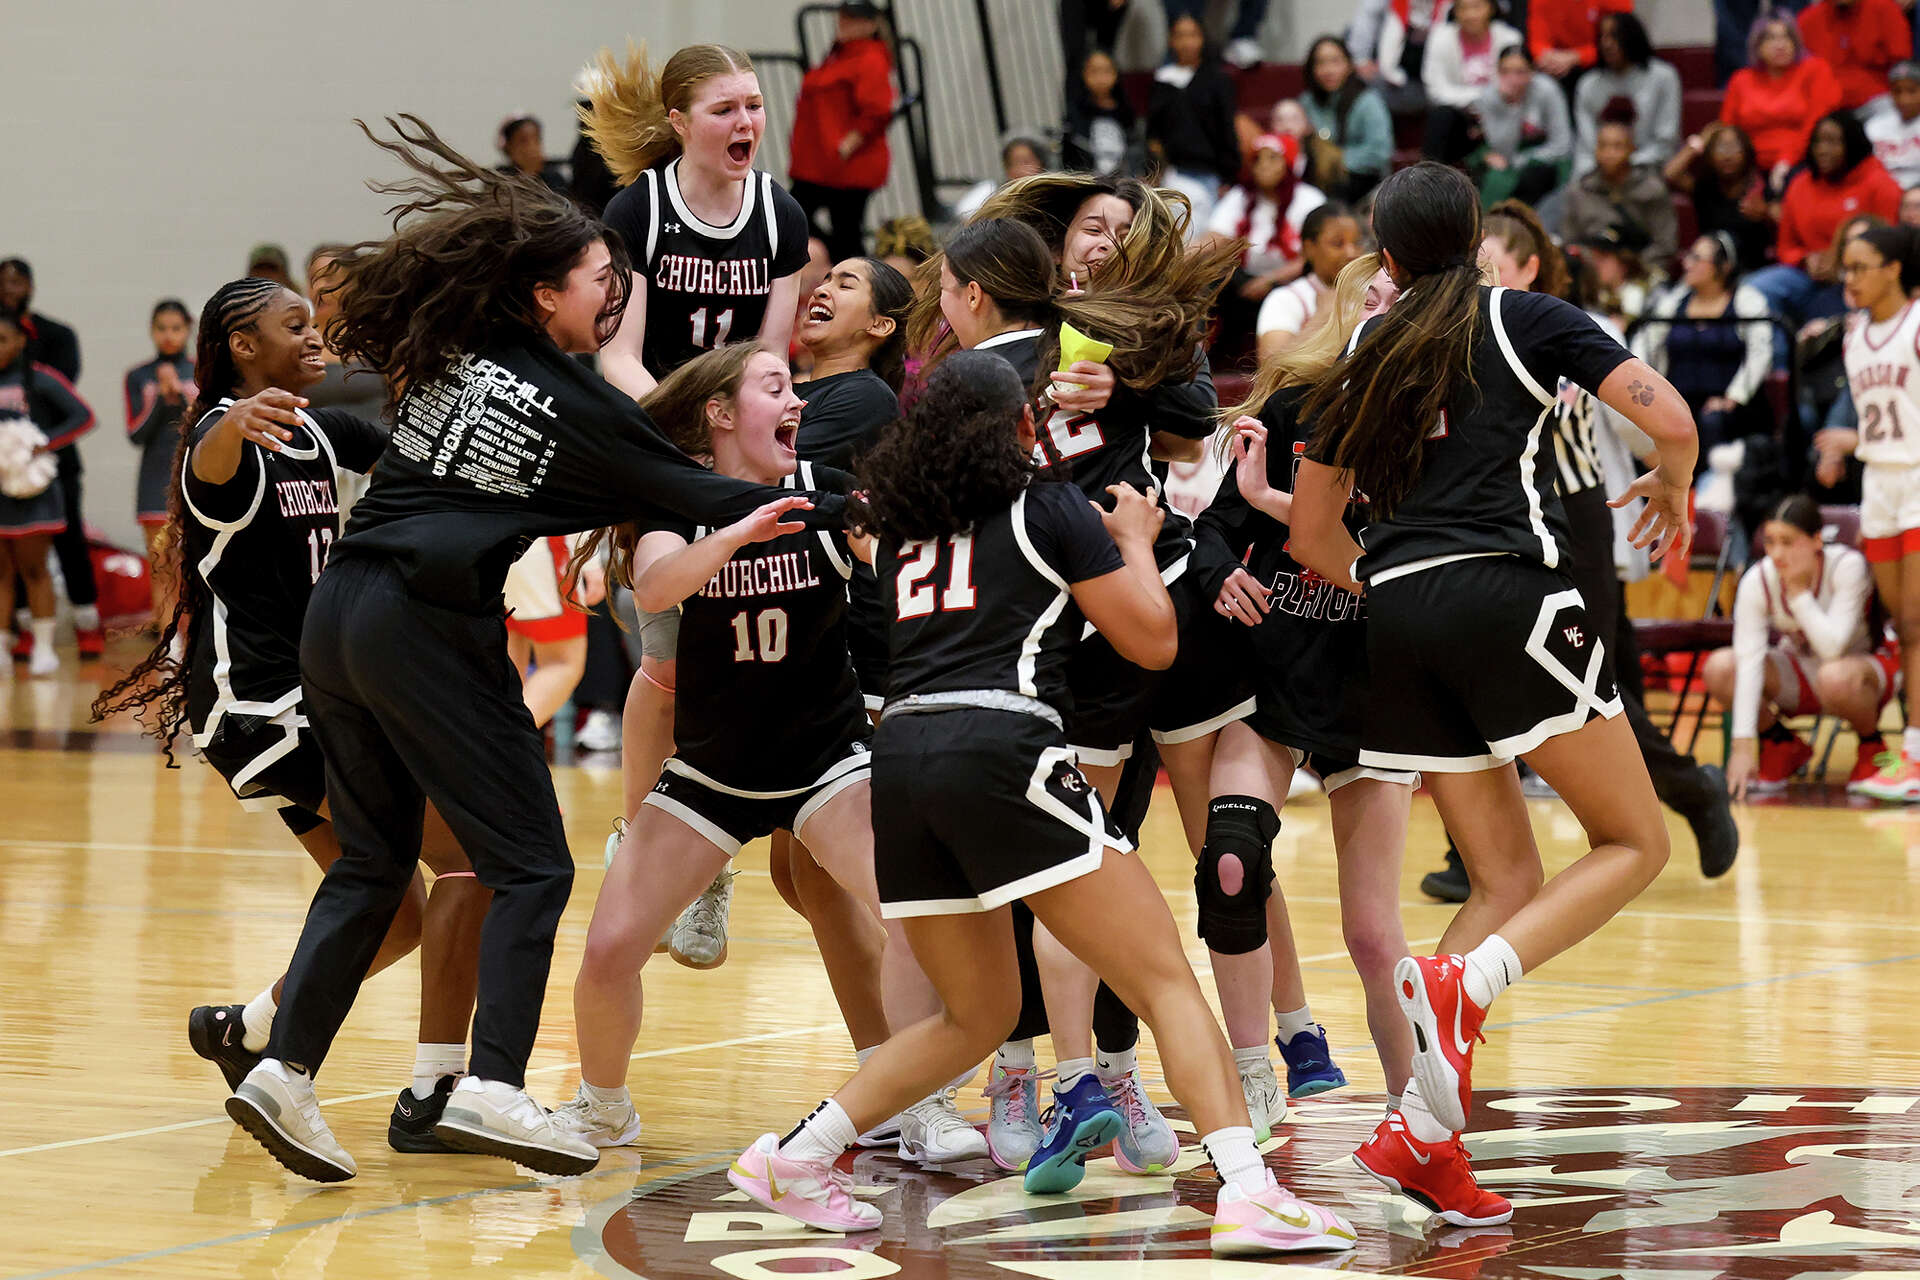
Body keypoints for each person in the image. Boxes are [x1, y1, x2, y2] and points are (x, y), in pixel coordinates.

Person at [217, 115, 840, 1184]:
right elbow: (693, 487)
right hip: (423, 624)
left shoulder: (461, 355)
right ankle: (493, 1084)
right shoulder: (581, 403)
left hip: (342, 615)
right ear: (546, 293)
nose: (619, 294)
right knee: (533, 861)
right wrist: (836, 502)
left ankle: (283, 1068)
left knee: (372, 862)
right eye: (606, 277)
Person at [727, 349, 1359, 1258]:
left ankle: (797, 1156)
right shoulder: (1049, 505)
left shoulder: (903, 527)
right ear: (1024, 426)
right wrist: (1140, 539)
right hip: (1003, 747)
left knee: (974, 1016)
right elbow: (1151, 643)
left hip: (900, 762)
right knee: (1164, 980)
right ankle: (1252, 1195)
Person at [1288, 162, 1698, 1162]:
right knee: (1635, 843)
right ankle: (1464, 984)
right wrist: (1675, 480)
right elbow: (1672, 418)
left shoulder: (1365, 348)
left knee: (1503, 876)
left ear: (1384, 256)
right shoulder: (1525, 316)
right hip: (1508, 596)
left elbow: (1309, 532)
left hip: (1395, 618)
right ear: (1477, 237)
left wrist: (1397, 585)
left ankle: (1423, 1124)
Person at [89, 276, 491, 1167]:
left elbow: (412, 451)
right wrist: (230, 421)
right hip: (260, 703)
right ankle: (434, 1090)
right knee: (465, 856)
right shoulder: (221, 441)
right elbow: (210, 458)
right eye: (293, 326)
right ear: (241, 346)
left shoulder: (319, 429)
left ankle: (248, 1030)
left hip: (315, 698)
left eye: (316, 326)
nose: (313, 339)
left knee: (401, 915)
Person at [554, 343, 978, 1165]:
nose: (797, 403)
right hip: (714, 771)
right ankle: (604, 1109)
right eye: (775, 387)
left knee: (910, 914)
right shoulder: (674, 500)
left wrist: (882, 542)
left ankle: (914, 1098)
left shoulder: (822, 492)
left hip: (826, 759)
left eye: (796, 389)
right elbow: (656, 588)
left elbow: (891, 555)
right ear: (719, 413)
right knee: (610, 948)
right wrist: (740, 527)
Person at [583, 40, 817, 966]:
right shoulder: (636, 210)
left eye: (755, 107)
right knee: (669, 649)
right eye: (725, 109)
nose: (746, 124)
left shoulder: (782, 217)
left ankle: (716, 851)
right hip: (660, 439)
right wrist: (684, 443)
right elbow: (616, 353)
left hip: (743, 446)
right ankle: (651, 842)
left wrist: (743, 452)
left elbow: (771, 357)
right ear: (679, 123)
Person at [1822, 225, 1920, 799]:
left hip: (1916, 477)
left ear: (1894, 269)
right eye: (1846, 268)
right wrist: (1848, 445)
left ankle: (1913, 751)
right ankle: (1909, 751)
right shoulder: (1854, 333)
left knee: (1916, 623)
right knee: (1902, 625)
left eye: (1860, 267)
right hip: (1879, 484)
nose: (1849, 279)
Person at [1705, 494, 1891, 796]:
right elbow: (1749, 658)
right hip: (1804, 672)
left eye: (1788, 542)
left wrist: (1798, 595)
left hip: (1864, 673)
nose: (1777, 554)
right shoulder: (1758, 579)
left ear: (1818, 540)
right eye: (1770, 542)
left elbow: (1832, 649)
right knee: (1721, 668)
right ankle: (1779, 743)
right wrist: (1743, 744)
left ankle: (1872, 745)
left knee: (1835, 676)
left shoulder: (1847, 566)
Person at [0, 257, 98, 663]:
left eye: (17, 281)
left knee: (63, 543)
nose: (10, 288)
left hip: (47, 471)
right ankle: (15, 633)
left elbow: (80, 412)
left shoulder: (50, 349)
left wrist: (40, 443)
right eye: (3, 282)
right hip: (3, 478)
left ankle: (83, 624)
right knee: (7, 564)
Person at [1750, 110, 1902, 332]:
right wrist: (1806, 259)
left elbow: (1890, 245)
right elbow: (1786, 246)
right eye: (1818, 142)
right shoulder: (1800, 184)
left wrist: (1843, 264)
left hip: (1860, 273)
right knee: (1755, 290)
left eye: (1833, 142)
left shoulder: (1880, 184)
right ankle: (1779, 364)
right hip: (1807, 274)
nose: (1823, 150)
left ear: (1851, 144)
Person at [1633, 233, 1774, 452]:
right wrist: (1649, 388)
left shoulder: (1747, 301)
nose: (1686, 263)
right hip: (1677, 402)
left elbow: (1760, 353)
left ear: (1724, 267)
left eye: (1697, 258)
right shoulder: (1674, 302)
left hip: (1729, 407)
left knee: (1711, 422)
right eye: (1688, 256)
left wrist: (1733, 398)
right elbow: (1645, 342)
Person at [788, 1, 895, 263]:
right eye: (844, 17)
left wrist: (848, 144)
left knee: (839, 230)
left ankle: (853, 276)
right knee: (828, 227)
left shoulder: (869, 58)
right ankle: (843, 265)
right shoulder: (839, 54)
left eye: (853, 19)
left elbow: (878, 109)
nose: (844, 23)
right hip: (821, 164)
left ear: (870, 25)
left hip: (847, 167)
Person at [1206, 134, 1327, 339]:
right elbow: (1216, 236)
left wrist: (1269, 280)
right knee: (1208, 279)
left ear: (1289, 164)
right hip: (1245, 279)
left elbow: (1311, 257)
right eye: (1257, 159)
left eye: (1272, 158)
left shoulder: (1309, 199)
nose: (1263, 166)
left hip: (1288, 280)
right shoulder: (1241, 195)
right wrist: (1182, 257)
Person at [124, 299, 196, 626]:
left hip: (197, 476)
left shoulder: (202, 371)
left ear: (188, 330)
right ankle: (170, 646)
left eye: (176, 328)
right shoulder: (138, 375)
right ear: (152, 331)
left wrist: (181, 395)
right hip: (155, 479)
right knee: (162, 565)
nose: (169, 336)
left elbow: (208, 423)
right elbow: (136, 433)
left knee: (194, 567)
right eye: (161, 328)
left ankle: (197, 643)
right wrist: (159, 399)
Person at [1146, 15, 1241, 229]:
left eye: (1193, 35)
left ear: (1203, 39)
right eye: (1180, 36)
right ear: (1171, 40)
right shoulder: (1162, 81)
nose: (1187, 42)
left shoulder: (1218, 79)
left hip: (1211, 174)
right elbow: (1153, 133)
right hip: (1175, 172)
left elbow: (1227, 127)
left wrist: (1228, 176)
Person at [1560, 105, 1682, 269]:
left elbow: (1665, 245)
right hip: (1591, 274)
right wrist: (1596, 266)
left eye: (1617, 146)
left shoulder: (1652, 190)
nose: (1609, 153)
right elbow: (1570, 243)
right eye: (1603, 146)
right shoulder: (1579, 191)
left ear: (1632, 149)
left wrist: (1629, 269)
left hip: (1641, 274)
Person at [1720, 14, 1843, 177]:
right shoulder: (1741, 79)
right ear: (1757, 46)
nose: (1780, 45)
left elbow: (1817, 124)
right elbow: (1727, 127)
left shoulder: (1815, 70)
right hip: (1750, 165)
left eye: (1787, 37)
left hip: (1803, 159)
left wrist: (1787, 160)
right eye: (1771, 38)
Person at [1573, 12, 1682, 176]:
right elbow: (1586, 145)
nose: (1607, 44)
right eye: (1602, 37)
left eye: (1614, 36)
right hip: (1597, 173)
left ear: (1632, 37)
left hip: (1648, 169)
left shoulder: (1663, 77)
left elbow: (1665, 140)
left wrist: (1623, 164)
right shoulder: (1588, 84)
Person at [1663, 122, 1776, 274]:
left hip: (1751, 273)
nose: (1727, 155)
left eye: (1735, 147)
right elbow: (1670, 174)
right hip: (1710, 272)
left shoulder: (1761, 187)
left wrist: (1766, 212)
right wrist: (1699, 141)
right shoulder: (1705, 187)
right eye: (1720, 148)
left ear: (1747, 152)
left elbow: (1786, 217)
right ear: (1709, 155)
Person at [1422, 0, 1523, 166]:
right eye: (1463, 8)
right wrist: (1482, 96)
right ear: (1455, 11)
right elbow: (1436, 90)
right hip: (1461, 117)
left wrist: (1487, 100)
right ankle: (1428, 178)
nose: (1470, 15)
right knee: (1441, 117)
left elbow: (1513, 87)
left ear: (1491, 8)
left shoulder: (1509, 38)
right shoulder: (1440, 37)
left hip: (1499, 118)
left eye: (1477, 7)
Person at [1257, 202, 1363, 360]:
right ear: (1308, 248)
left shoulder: (1373, 293)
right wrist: (1322, 316)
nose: (1351, 252)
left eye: (1356, 243)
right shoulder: (1285, 299)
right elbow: (1271, 371)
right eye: (1337, 244)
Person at [1475, 44, 1575, 207]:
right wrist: (1511, 105)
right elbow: (1501, 150)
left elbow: (1562, 145)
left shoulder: (1547, 90)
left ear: (1532, 72)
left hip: (1547, 160)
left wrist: (1523, 159)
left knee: (1531, 178)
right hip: (1509, 160)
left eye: (1520, 72)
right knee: (1491, 177)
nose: (1512, 79)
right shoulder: (1489, 96)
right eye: (1505, 72)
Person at [1303, 36, 1394, 203]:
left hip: (1362, 182)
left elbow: (1380, 152)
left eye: (1335, 61)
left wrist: (1338, 159)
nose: (1328, 70)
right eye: (1320, 63)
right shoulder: (1307, 102)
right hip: (1317, 181)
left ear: (1349, 65)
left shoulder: (1367, 101)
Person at [1799, 0, 1911, 113]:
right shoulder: (1809, 19)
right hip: (1827, 107)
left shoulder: (1884, 9)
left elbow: (1902, 64)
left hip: (1875, 101)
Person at [1063, 48, 1140, 176]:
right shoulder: (1074, 114)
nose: (1100, 78)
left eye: (1106, 71)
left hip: (1124, 182)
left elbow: (1136, 151)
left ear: (1116, 74)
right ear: (1083, 74)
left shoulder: (1126, 112)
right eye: (1094, 71)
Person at [1528, 0, 1634, 88]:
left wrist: (1578, 56)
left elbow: (1622, 37)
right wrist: (1548, 57)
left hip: (1602, 64)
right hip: (1555, 66)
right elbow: (1538, 41)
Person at [1866, 60, 1920, 189]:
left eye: (1911, 91)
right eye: (1897, 91)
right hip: (1885, 191)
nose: (1904, 99)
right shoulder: (1874, 126)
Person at [497, 113, 570, 193]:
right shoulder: (499, 176)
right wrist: (528, 172)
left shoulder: (554, 177)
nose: (532, 147)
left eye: (536, 140)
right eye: (523, 141)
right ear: (509, 147)